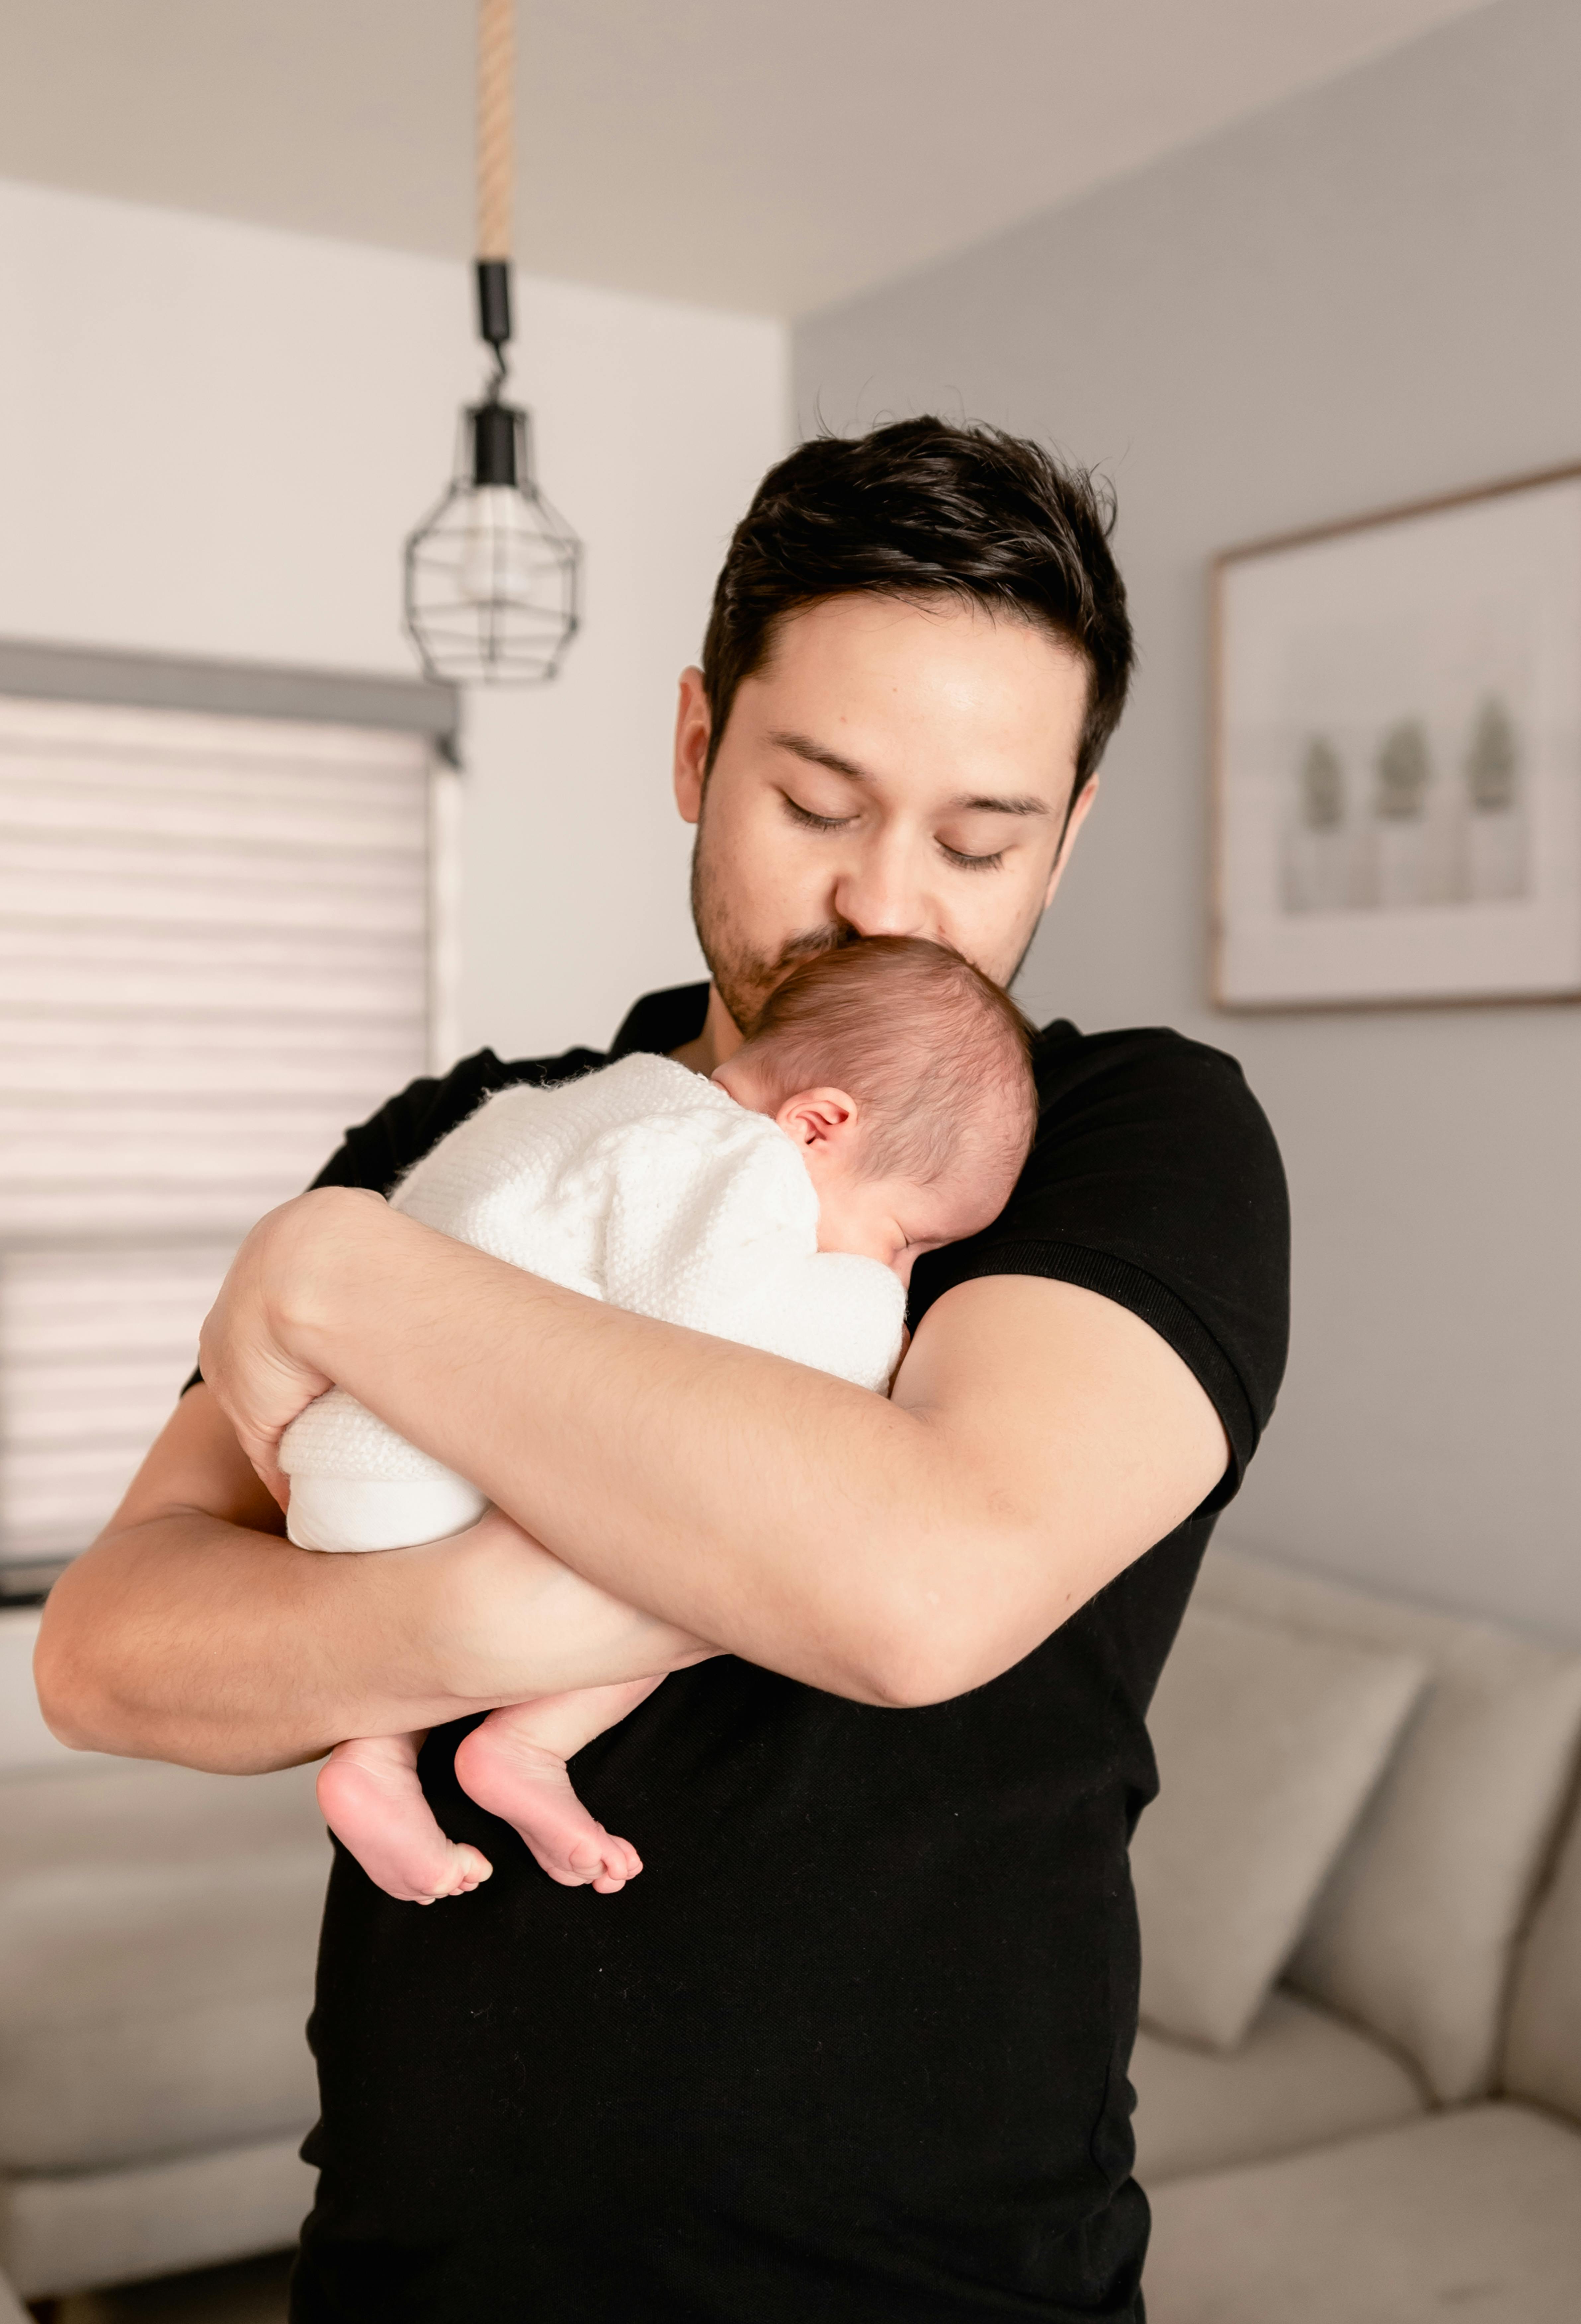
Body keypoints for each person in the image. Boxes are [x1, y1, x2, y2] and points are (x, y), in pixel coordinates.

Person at [38, 417, 1290, 2323]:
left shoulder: (1122, 1142)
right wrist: (510, 1603)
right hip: (408, 2268)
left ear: (1068, 831)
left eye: (980, 839)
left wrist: (338, 1275)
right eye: (818, 804)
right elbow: (110, 1648)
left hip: (929, 2291)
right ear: (699, 746)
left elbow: (917, 1589)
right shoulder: (481, 1131)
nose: (887, 904)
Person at [288, 937, 1036, 1907]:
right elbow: (712, 1343)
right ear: (817, 1126)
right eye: (904, 1237)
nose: (902, 1266)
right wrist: (874, 1316)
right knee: (709, 1556)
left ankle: (375, 1755)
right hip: (432, 1471)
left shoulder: (601, 1101)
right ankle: (527, 1744)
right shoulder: (738, 1163)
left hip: (348, 1454)